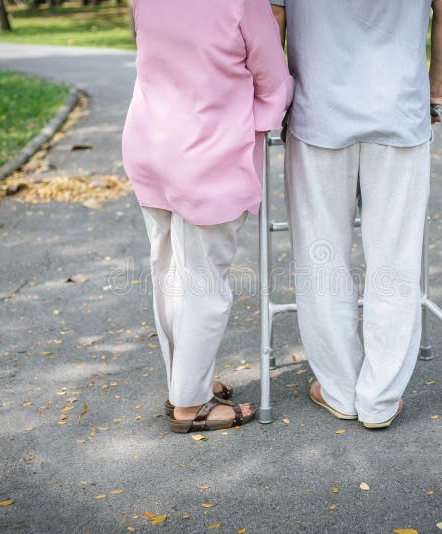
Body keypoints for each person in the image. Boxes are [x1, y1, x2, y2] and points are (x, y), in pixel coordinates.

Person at [270, 0, 442, 428]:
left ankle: (339, 389)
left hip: (318, 111)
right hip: (399, 112)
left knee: (321, 254)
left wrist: (277, 94)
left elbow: (275, 15)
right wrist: (437, 88)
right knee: (395, 256)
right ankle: (380, 398)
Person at [122, 0, 293, 433]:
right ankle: (190, 402)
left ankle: (186, 382)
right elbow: (274, 82)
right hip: (209, 155)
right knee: (204, 282)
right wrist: (260, 119)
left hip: (150, 145)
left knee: (168, 274)